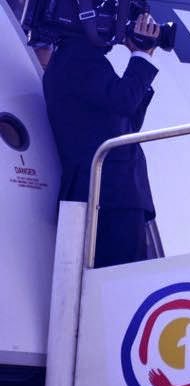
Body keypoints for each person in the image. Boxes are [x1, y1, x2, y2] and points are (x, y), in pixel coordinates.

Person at [43, 13, 163, 267]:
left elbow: (125, 124)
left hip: (106, 195)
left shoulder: (70, 61)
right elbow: (123, 101)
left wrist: (141, 71)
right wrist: (140, 55)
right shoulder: (80, 60)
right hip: (110, 196)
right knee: (124, 282)